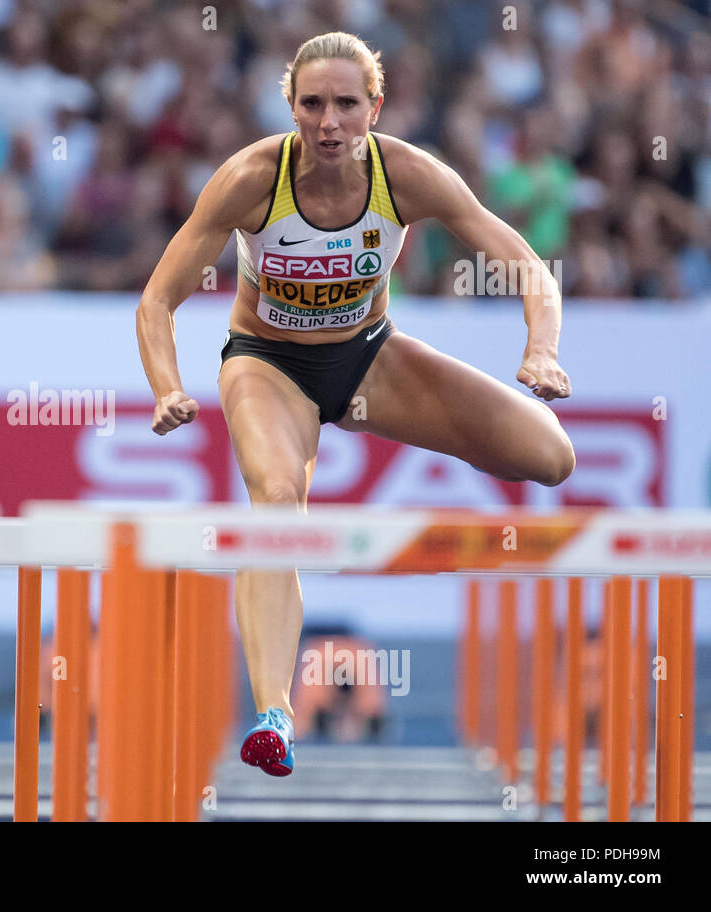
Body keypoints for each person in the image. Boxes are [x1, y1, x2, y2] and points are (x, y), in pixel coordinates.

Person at [135, 32, 576, 778]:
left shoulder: (406, 174)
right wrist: (167, 387)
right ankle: (274, 712)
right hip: (267, 363)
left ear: (376, 106)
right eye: (313, 105)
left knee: (552, 457)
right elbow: (157, 300)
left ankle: (276, 704)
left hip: (369, 356)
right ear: (292, 108)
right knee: (276, 500)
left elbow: (529, 268)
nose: (329, 123)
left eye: (346, 105)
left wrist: (541, 349)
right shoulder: (250, 178)